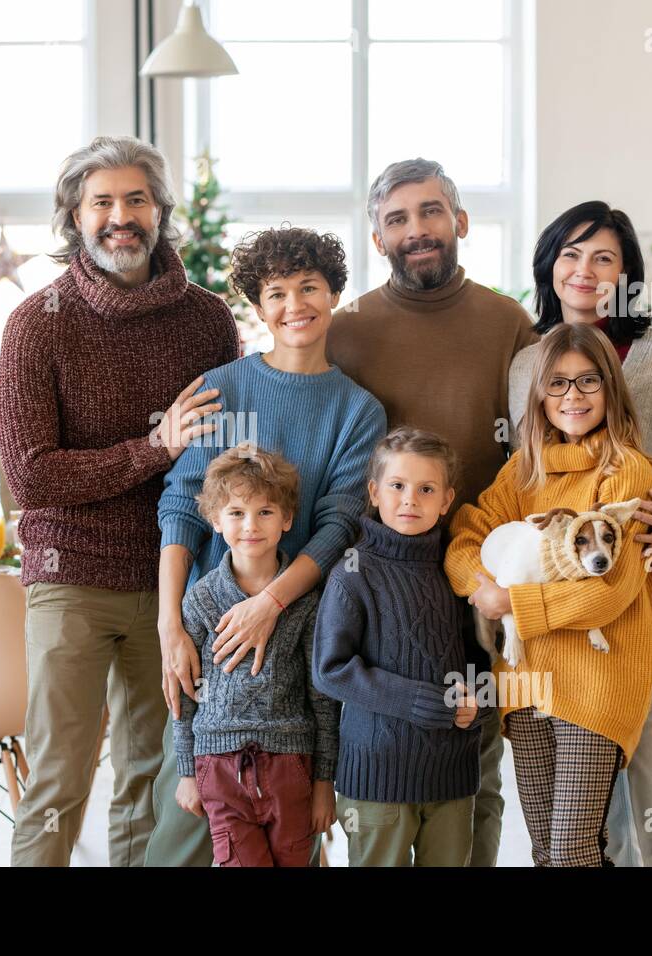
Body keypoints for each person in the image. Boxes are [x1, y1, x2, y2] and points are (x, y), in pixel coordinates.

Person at [0, 135, 240, 866]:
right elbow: (32, 477)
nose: (119, 216)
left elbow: (224, 461)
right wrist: (152, 451)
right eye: (100, 201)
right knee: (57, 778)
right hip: (69, 578)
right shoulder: (36, 323)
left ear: (161, 212)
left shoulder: (207, 320)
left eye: (136, 199)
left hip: (171, 582)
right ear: (74, 216)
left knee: (153, 775)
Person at [507, 201, 652, 865]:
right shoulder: (526, 367)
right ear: (550, 264)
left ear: (627, 274)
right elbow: (525, 488)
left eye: (604, 257)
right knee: (588, 830)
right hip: (576, 634)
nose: (585, 270)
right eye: (572, 253)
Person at [145, 226, 386, 866]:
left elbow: (338, 528)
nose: (294, 305)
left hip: (301, 625)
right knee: (184, 819)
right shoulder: (221, 389)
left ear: (334, 294)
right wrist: (171, 624)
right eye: (275, 292)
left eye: (309, 287)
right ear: (258, 306)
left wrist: (272, 604)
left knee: (290, 823)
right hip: (212, 628)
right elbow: (180, 506)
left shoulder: (359, 411)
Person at [326, 157, 538, 866]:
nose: (416, 231)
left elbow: (541, 445)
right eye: (397, 219)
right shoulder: (347, 329)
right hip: (378, 572)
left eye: (430, 212)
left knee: (476, 769)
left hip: (475, 576)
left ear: (460, 222)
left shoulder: (509, 323)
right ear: (377, 237)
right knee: (377, 748)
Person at [445, 322, 652, 866]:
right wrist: (487, 587)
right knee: (548, 849)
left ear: (611, 389)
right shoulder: (524, 471)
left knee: (571, 851)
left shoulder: (627, 472)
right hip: (526, 683)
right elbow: (462, 539)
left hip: (597, 682)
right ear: (540, 394)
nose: (573, 396)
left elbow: (609, 591)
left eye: (588, 381)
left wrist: (514, 604)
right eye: (558, 383)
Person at [313, 426, 482, 866]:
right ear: (374, 491)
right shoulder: (352, 572)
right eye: (398, 486)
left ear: (447, 500)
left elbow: (480, 657)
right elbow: (332, 669)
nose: (411, 499)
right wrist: (423, 701)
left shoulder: (456, 570)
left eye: (426, 489)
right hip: (377, 776)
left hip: (451, 773)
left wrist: (478, 702)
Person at [173, 445, 339, 866]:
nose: (251, 525)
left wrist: (323, 782)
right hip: (218, 765)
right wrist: (187, 771)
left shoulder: (306, 603)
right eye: (236, 513)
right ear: (215, 520)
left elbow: (322, 696)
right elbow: (185, 693)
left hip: (291, 765)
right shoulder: (201, 600)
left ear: (286, 519)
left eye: (265, 512)